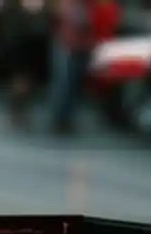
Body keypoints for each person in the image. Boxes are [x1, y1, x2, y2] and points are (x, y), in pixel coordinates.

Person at [47, 0, 101, 134]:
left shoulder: (88, 5)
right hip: (67, 45)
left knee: (73, 84)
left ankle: (65, 119)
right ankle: (59, 119)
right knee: (64, 83)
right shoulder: (68, 4)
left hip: (81, 46)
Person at [0, 0, 51, 128]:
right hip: (21, 42)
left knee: (27, 80)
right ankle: (17, 111)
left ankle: (19, 111)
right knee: (21, 79)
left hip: (32, 43)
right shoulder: (15, 8)